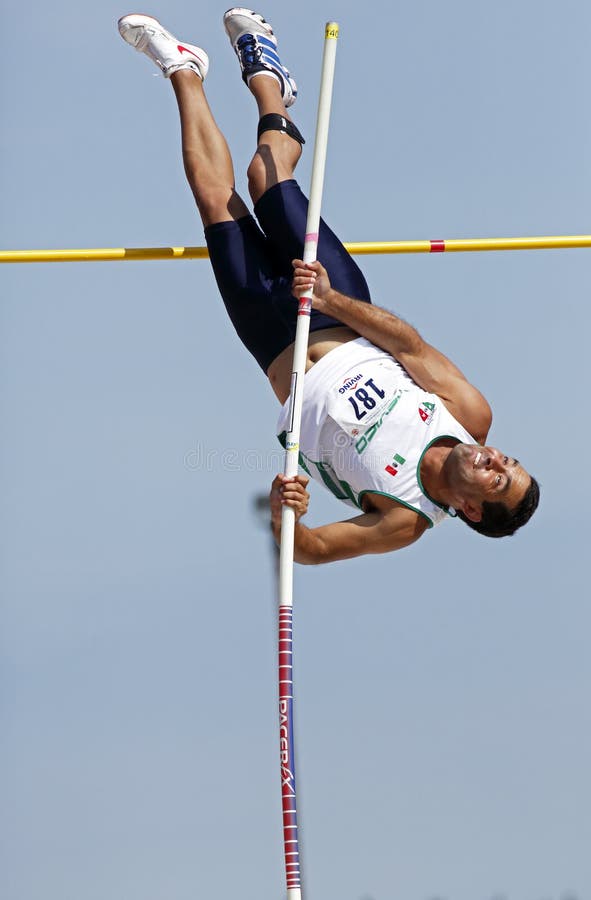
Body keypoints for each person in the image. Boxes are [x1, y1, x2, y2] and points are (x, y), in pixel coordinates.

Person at [118, 8, 539, 565]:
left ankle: (183, 70)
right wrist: (330, 296)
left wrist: (282, 513)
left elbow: (310, 551)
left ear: (473, 511)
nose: (498, 460)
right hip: (338, 310)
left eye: (499, 480)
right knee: (266, 178)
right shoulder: (469, 415)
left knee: (217, 204)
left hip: (274, 349)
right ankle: (268, 80)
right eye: (509, 462)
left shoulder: (402, 518)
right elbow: (409, 347)